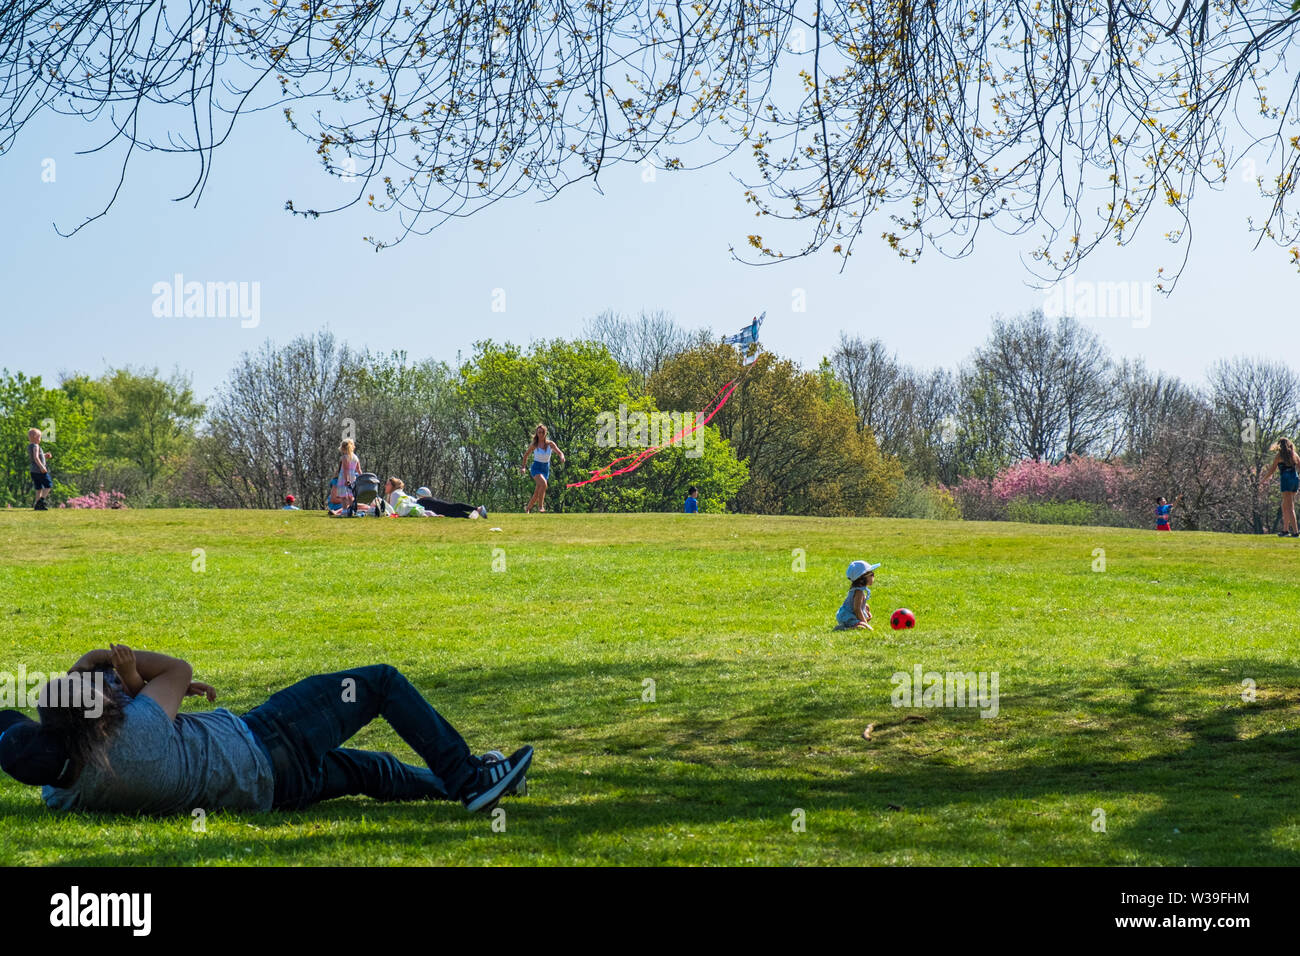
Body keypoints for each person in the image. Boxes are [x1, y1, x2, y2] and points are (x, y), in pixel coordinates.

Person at [0, 645, 532, 816]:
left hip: (273, 791)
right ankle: (468, 781)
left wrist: (136, 686)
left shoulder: (62, 796)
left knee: (375, 772)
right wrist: (104, 659)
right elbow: (179, 670)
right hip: (268, 739)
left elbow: (83, 720)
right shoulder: (132, 729)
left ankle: (486, 779)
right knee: (380, 685)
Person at [521, 424, 565, 514]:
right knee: (544, 484)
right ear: (537, 433)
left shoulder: (550, 444)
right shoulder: (535, 445)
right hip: (536, 468)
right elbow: (526, 455)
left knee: (537, 493)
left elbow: (560, 452)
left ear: (545, 433)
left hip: (545, 469)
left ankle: (527, 509)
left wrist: (562, 457)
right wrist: (523, 467)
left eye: (542, 432)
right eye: (539, 432)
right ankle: (540, 506)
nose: (540, 434)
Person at [1263, 438, 1300, 537]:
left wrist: (1263, 480)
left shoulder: (1279, 456)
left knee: (1290, 506)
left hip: (1286, 479)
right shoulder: (1295, 455)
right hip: (1295, 479)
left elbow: (1272, 470)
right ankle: (1285, 530)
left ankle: (1296, 532)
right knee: (1285, 505)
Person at [834, 560, 880, 630]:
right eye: (872, 574)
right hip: (848, 616)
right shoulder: (859, 592)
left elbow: (857, 605)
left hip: (848, 615)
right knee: (862, 627)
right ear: (863, 578)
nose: (874, 576)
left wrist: (865, 607)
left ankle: (850, 625)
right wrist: (866, 624)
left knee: (865, 617)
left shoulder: (858, 590)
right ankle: (844, 628)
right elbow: (857, 609)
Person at [414, 486, 487, 520]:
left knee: (452, 508)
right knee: (451, 511)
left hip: (439, 509)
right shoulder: (425, 500)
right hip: (439, 509)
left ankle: (478, 509)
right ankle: (470, 515)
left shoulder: (421, 501)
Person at [28, 427, 52, 511]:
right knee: (48, 485)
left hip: (33, 471)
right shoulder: (36, 446)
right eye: (40, 437)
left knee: (38, 488)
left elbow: (37, 456)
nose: (40, 439)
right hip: (39, 470)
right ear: (35, 437)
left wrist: (45, 456)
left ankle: (37, 505)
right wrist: (42, 466)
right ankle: (41, 501)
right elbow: (36, 457)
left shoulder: (30, 446)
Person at [335, 440, 361, 510]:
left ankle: (345, 510)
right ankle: (352, 509)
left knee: (343, 496)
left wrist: (347, 480)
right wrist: (362, 477)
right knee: (351, 495)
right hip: (353, 477)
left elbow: (345, 469)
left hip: (344, 477)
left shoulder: (344, 457)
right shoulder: (355, 457)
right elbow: (358, 469)